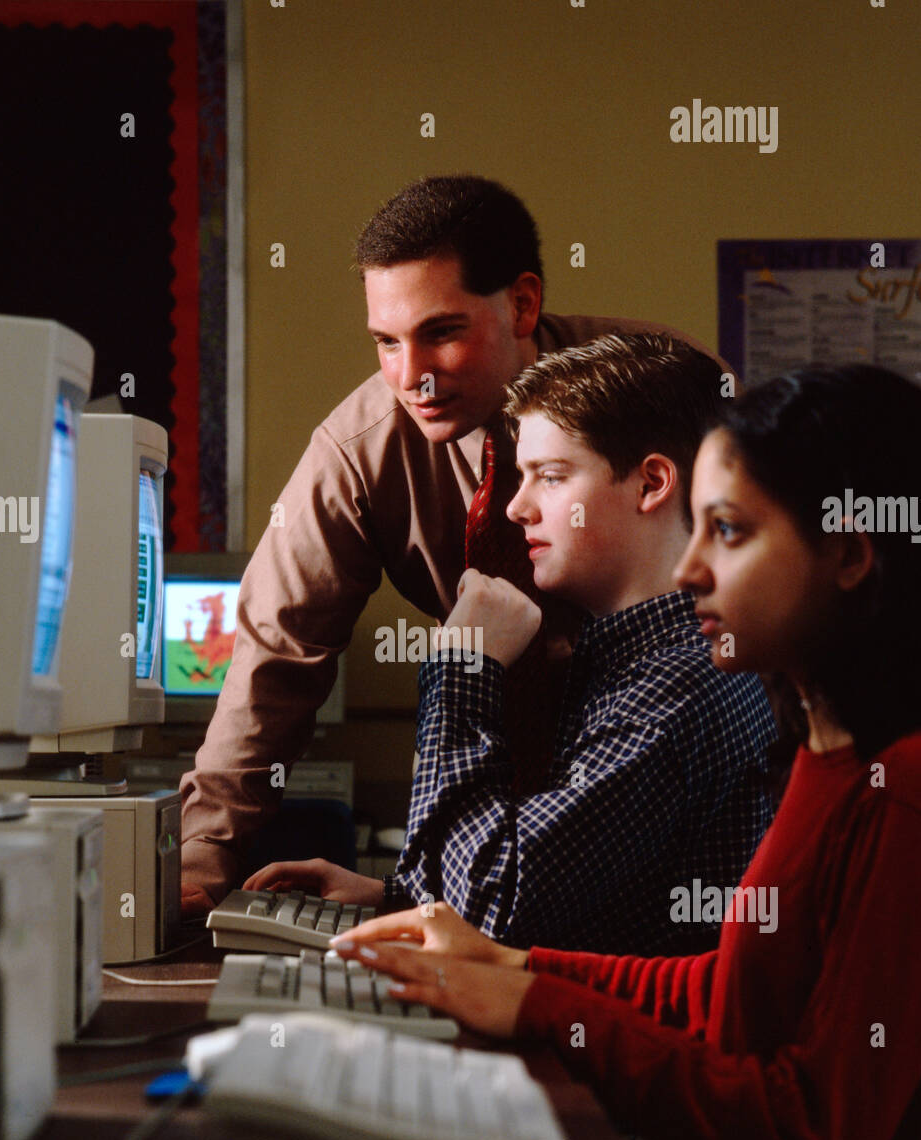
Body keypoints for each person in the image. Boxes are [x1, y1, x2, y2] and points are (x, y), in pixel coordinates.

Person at [332, 365, 921, 1140]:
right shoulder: (829, 756)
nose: (693, 567)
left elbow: (816, 1133)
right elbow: (733, 993)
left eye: (730, 532)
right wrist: (513, 967)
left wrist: (539, 1003)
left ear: (851, 555)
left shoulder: (913, 792)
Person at [180, 176, 725, 913]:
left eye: (441, 332)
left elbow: (783, 574)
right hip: (524, 841)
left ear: (522, 304)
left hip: (675, 785)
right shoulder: (359, 449)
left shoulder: (660, 394)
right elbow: (274, 654)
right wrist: (201, 860)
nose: (412, 378)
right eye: (385, 342)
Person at [245, 334, 774, 955]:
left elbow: (492, 909)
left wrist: (462, 665)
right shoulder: (640, 660)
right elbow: (562, 890)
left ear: (651, 483)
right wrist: (396, 895)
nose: (517, 508)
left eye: (550, 477)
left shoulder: (673, 687)